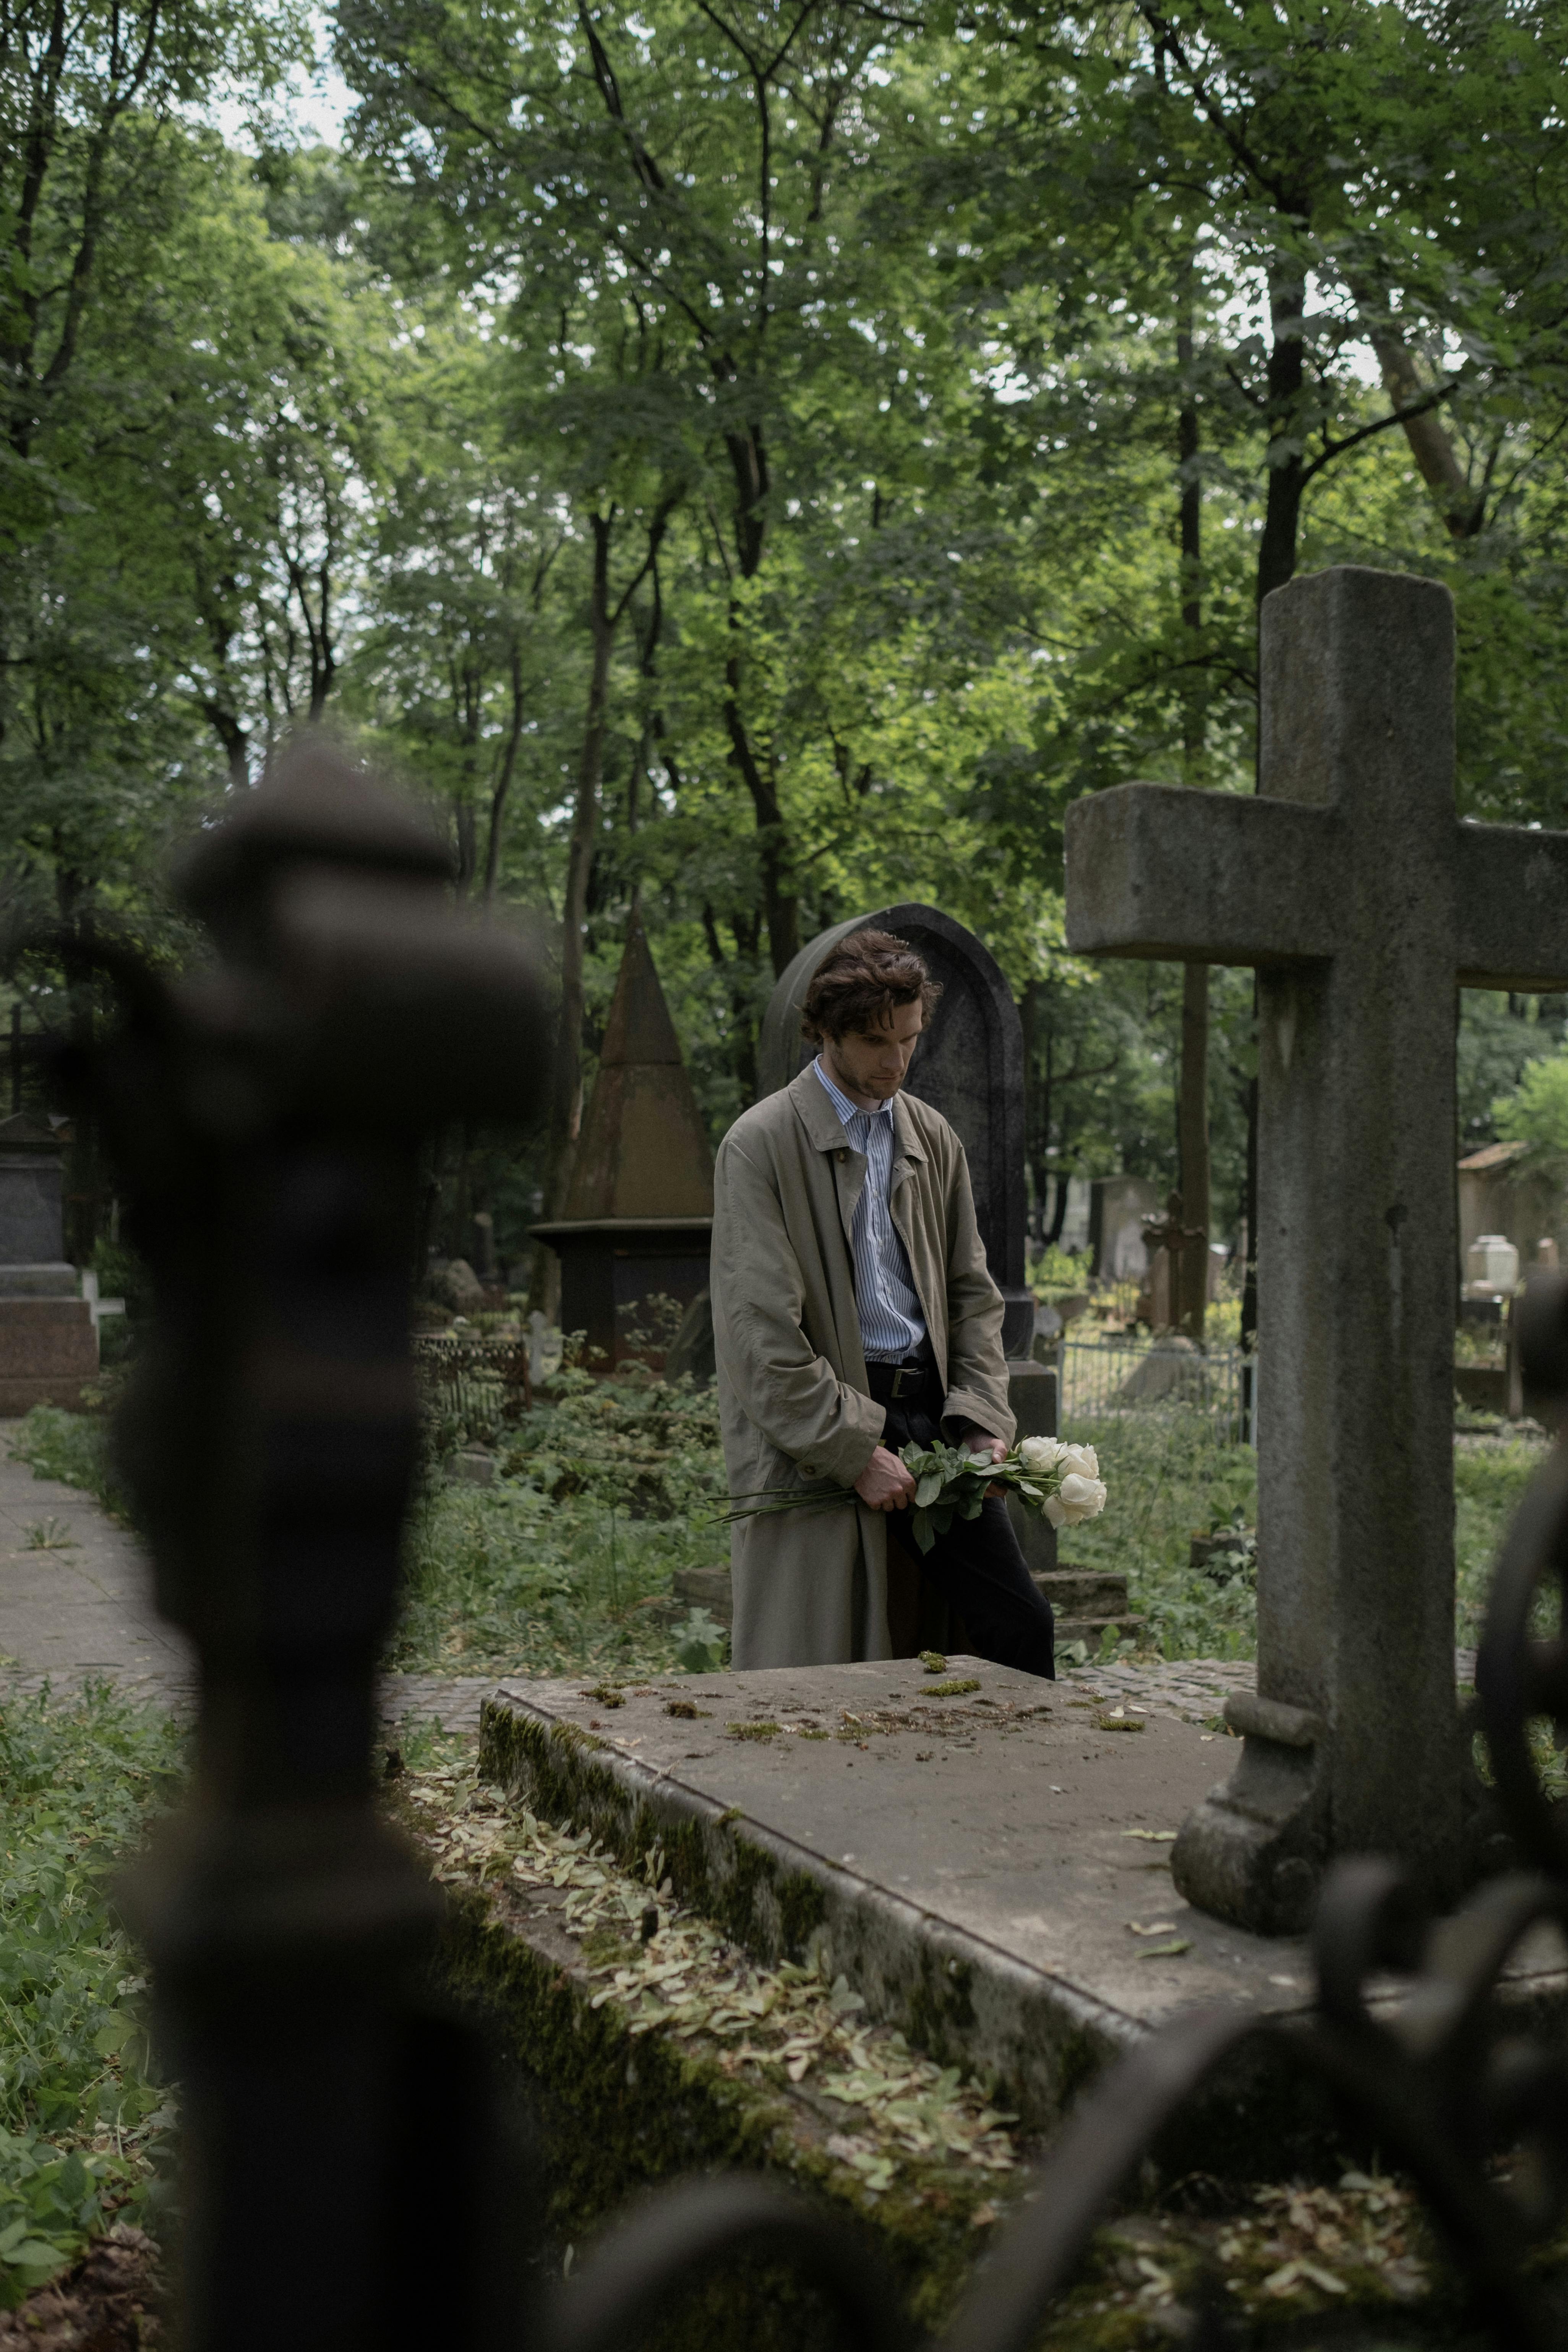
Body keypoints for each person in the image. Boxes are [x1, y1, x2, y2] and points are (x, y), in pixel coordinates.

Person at [710, 928, 1056, 1676]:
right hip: (831, 1416)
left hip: (935, 1414)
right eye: (874, 1041)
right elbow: (758, 1333)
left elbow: (973, 1297)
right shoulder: (759, 1144)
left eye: (909, 1038)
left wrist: (982, 1416)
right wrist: (850, 1447)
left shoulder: (932, 1136)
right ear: (826, 1032)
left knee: (1018, 1627)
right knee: (834, 1666)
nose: (896, 1061)